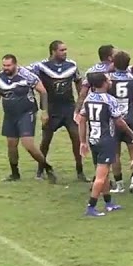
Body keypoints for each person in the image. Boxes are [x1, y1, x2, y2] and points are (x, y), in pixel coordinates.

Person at [0, 54, 57, 181]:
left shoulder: (27, 76)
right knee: (11, 145)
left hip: (26, 113)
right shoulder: (0, 77)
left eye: (9, 65)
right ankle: (15, 173)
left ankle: (47, 167)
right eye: (4, 65)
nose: (6, 68)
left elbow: (42, 91)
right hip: (10, 115)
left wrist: (44, 111)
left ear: (15, 64)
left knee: (28, 144)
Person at [76, 73, 133, 217]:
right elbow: (119, 121)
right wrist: (131, 133)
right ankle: (91, 207)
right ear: (103, 83)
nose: (110, 81)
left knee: (103, 173)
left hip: (94, 139)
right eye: (108, 80)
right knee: (101, 176)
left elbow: (82, 120)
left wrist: (83, 141)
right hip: (107, 140)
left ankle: (109, 203)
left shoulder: (89, 99)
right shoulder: (110, 100)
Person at [30, 40, 87, 182]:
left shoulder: (72, 65)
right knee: (46, 140)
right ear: (53, 51)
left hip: (69, 107)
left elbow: (79, 82)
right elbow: (22, 72)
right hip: (51, 108)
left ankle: (80, 171)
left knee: (77, 138)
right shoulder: (41, 66)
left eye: (65, 49)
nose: (65, 52)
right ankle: (40, 169)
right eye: (62, 50)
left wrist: (81, 104)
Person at [106, 50, 133, 197]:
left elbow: (93, 79)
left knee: (115, 153)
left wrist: (108, 69)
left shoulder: (108, 79)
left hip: (114, 119)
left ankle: (119, 185)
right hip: (130, 118)